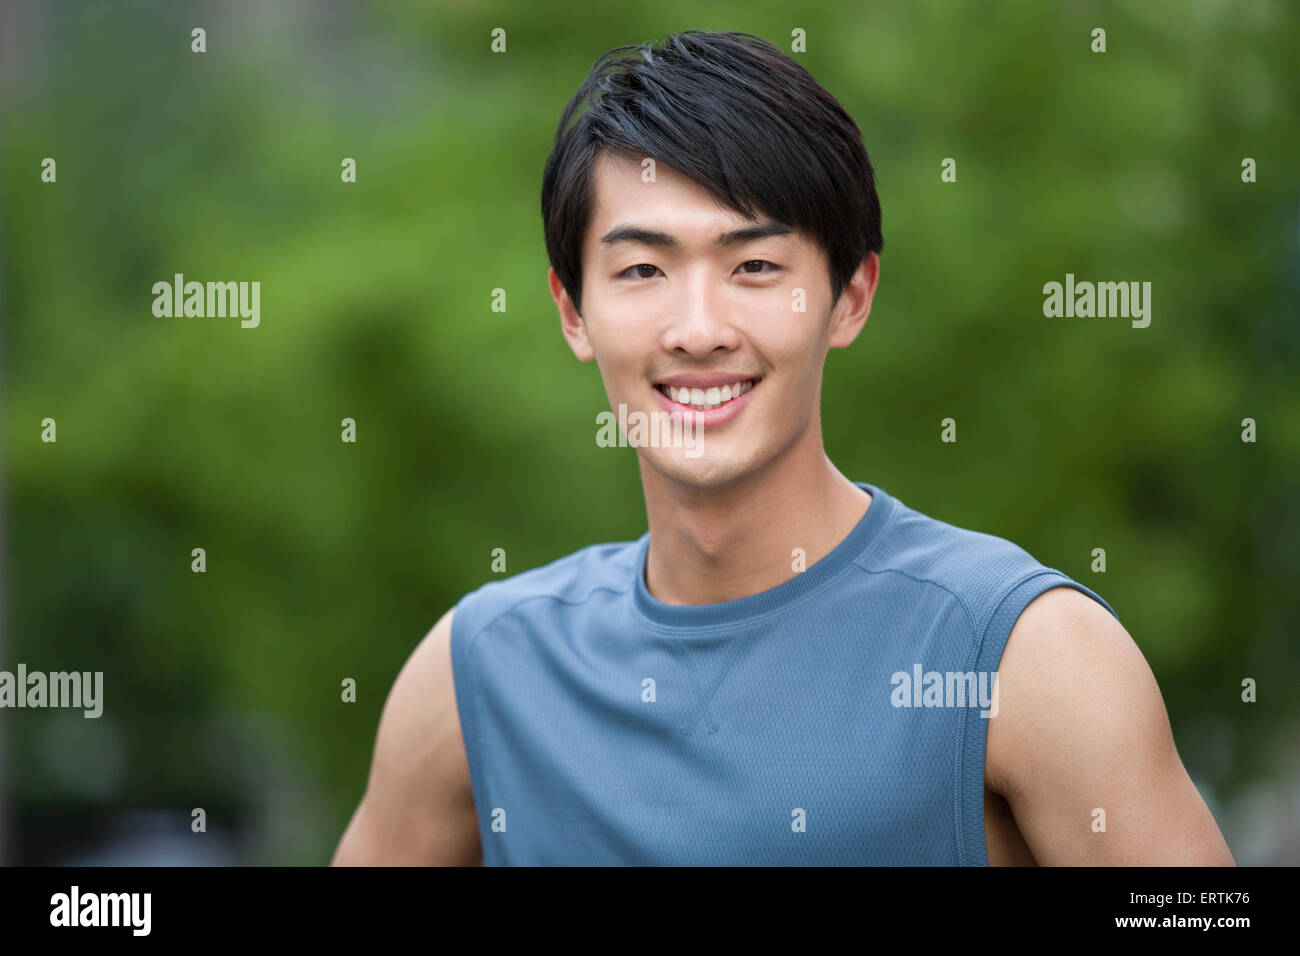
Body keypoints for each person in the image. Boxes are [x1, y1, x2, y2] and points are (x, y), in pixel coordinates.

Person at [332, 30, 1234, 866]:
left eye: (754, 266)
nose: (697, 330)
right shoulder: (480, 672)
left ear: (850, 297)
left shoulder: (1022, 655)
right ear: (574, 312)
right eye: (642, 270)